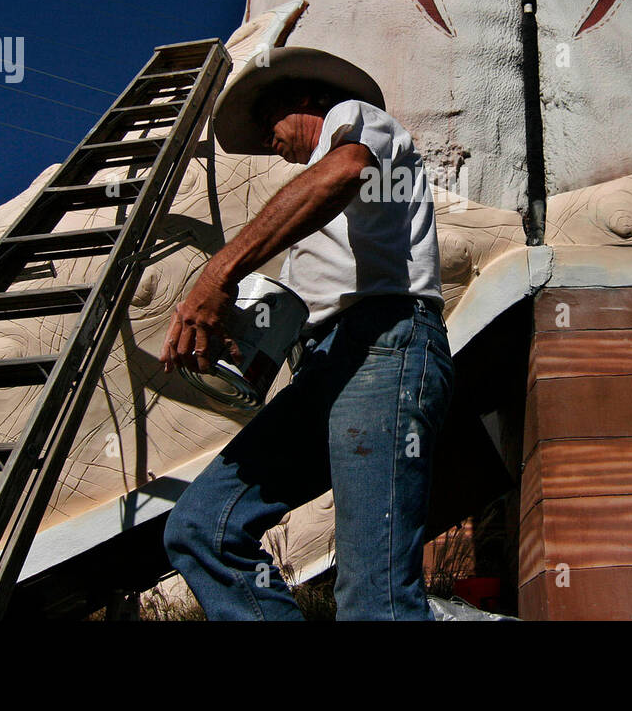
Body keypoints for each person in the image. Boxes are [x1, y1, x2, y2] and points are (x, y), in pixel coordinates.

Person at [160, 45, 453, 620]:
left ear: (305, 100)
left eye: (268, 119)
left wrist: (218, 272)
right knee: (203, 529)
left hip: (383, 348)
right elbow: (300, 307)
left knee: (375, 599)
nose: (268, 139)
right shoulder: (311, 235)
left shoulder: (361, 123)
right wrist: (242, 340)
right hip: (324, 364)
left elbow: (344, 171)